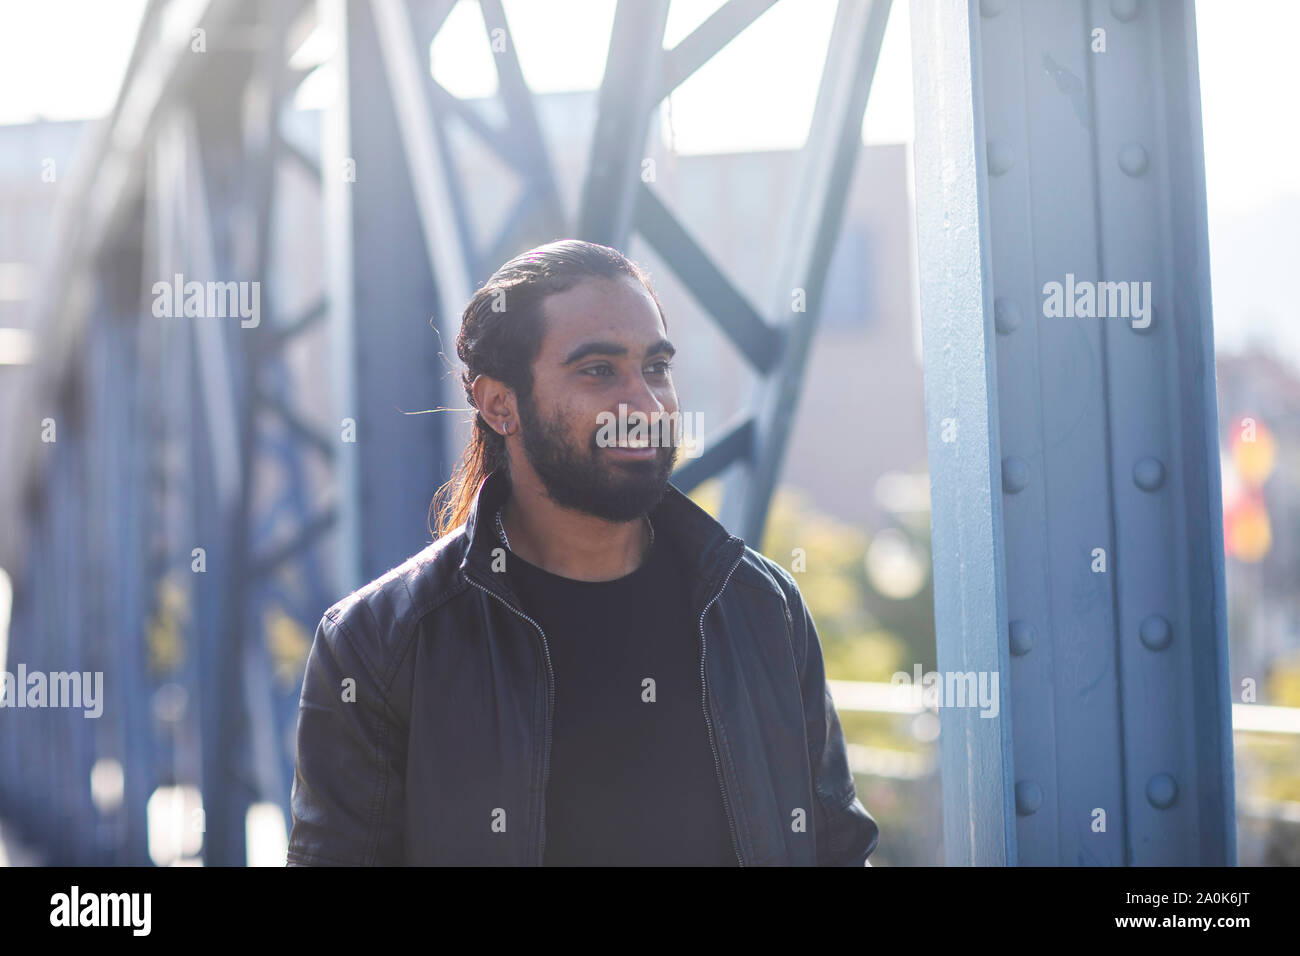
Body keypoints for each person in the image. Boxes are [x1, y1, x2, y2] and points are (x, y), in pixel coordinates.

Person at [286, 239, 879, 866]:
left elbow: (837, 851)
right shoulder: (381, 641)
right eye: (598, 370)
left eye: (656, 367)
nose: (646, 407)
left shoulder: (762, 607)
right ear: (499, 404)